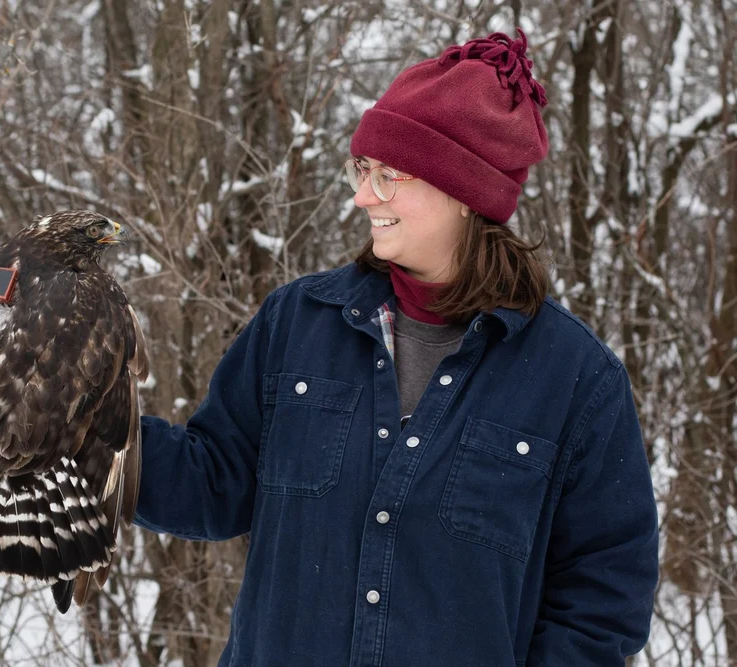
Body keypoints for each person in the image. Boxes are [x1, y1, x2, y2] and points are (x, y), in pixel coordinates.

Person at [133, 28, 659, 666]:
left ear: (463, 193)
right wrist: (80, 432)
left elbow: (603, 598)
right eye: (362, 170)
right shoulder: (297, 324)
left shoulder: (575, 380)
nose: (362, 196)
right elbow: (211, 484)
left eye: (389, 175)